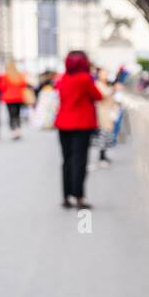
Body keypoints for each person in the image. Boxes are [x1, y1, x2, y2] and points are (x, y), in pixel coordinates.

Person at [55, 50, 102, 209]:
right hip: (82, 124)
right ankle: (79, 197)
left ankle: (66, 197)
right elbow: (98, 96)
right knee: (80, 161)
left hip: (63, 124)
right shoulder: (85, 79)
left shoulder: (63, 78)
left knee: (66, 161)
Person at [0, 59, 30, 141]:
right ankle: (18, 131)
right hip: (18, 98)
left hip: (9, 98)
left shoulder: (5, 76)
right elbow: (24, 85)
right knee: (17, 114)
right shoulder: (19, 75)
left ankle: (14, 132)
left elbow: (1, 87)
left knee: (11, 115)